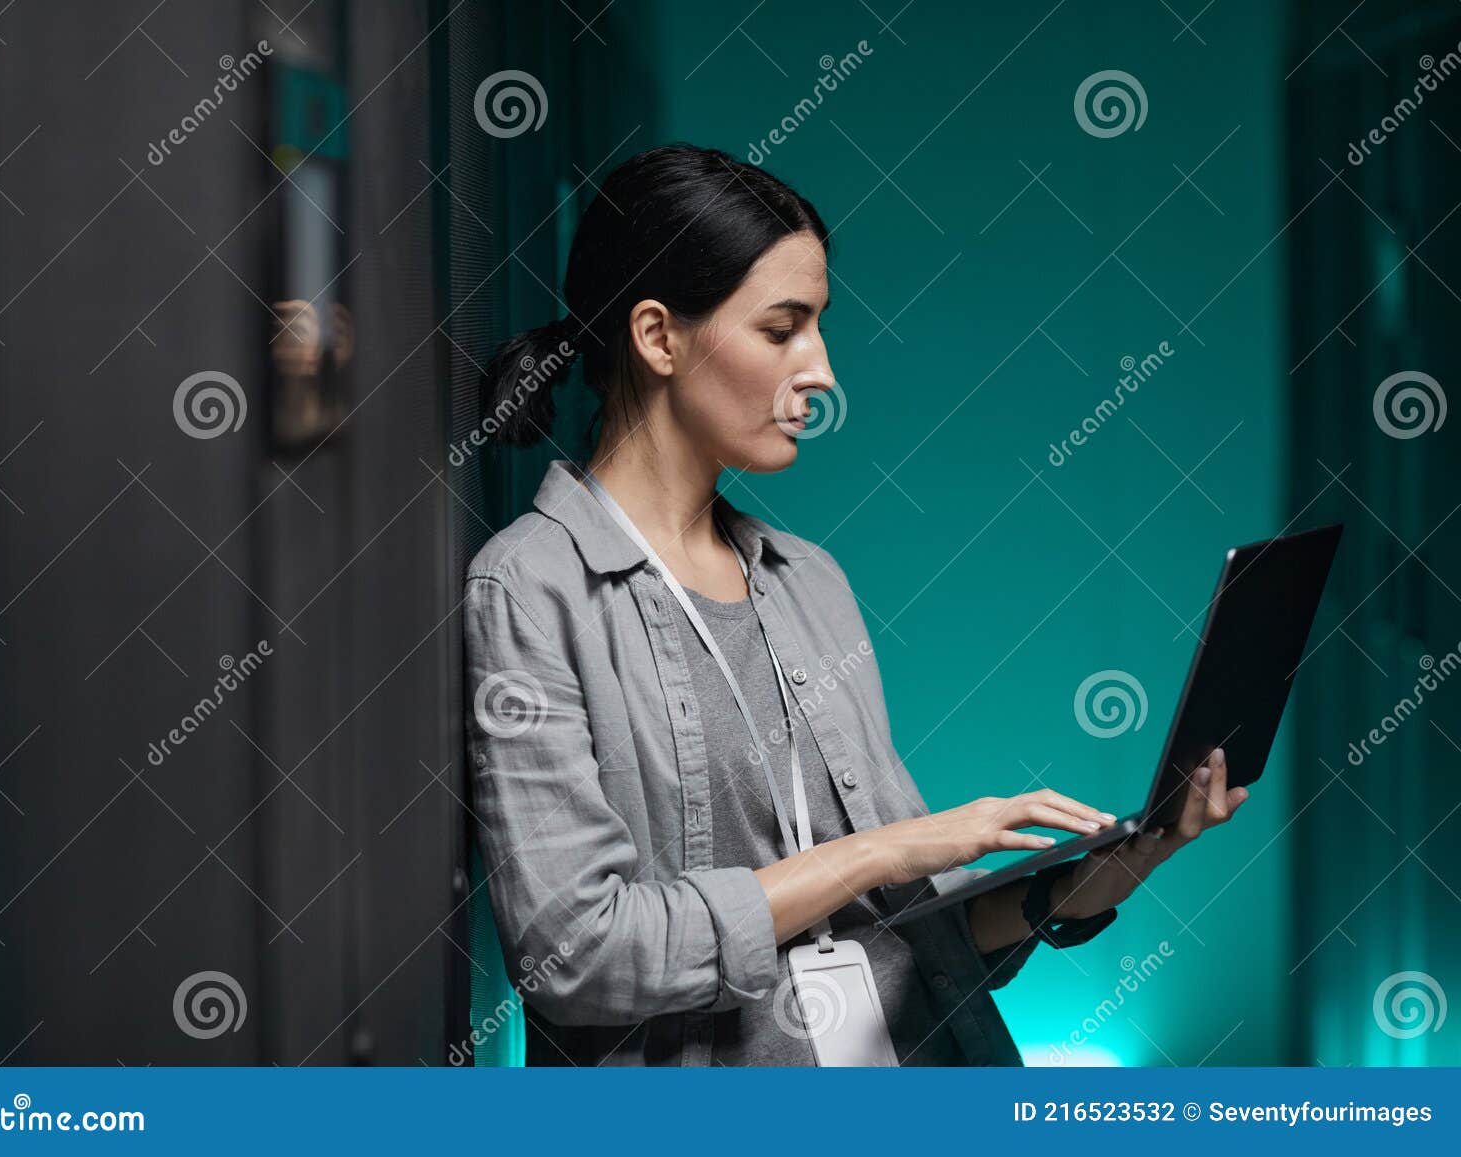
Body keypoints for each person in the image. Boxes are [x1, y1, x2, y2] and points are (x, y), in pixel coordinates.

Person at [462, 143, 1248, 1066]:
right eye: (781, 328)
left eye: (819, 327)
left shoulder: (806, 580)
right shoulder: (530, 587)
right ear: (658, 336)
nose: (821, 371)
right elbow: (580, 955)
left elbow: (923, 946)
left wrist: (1117, 866)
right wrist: (886, 850)